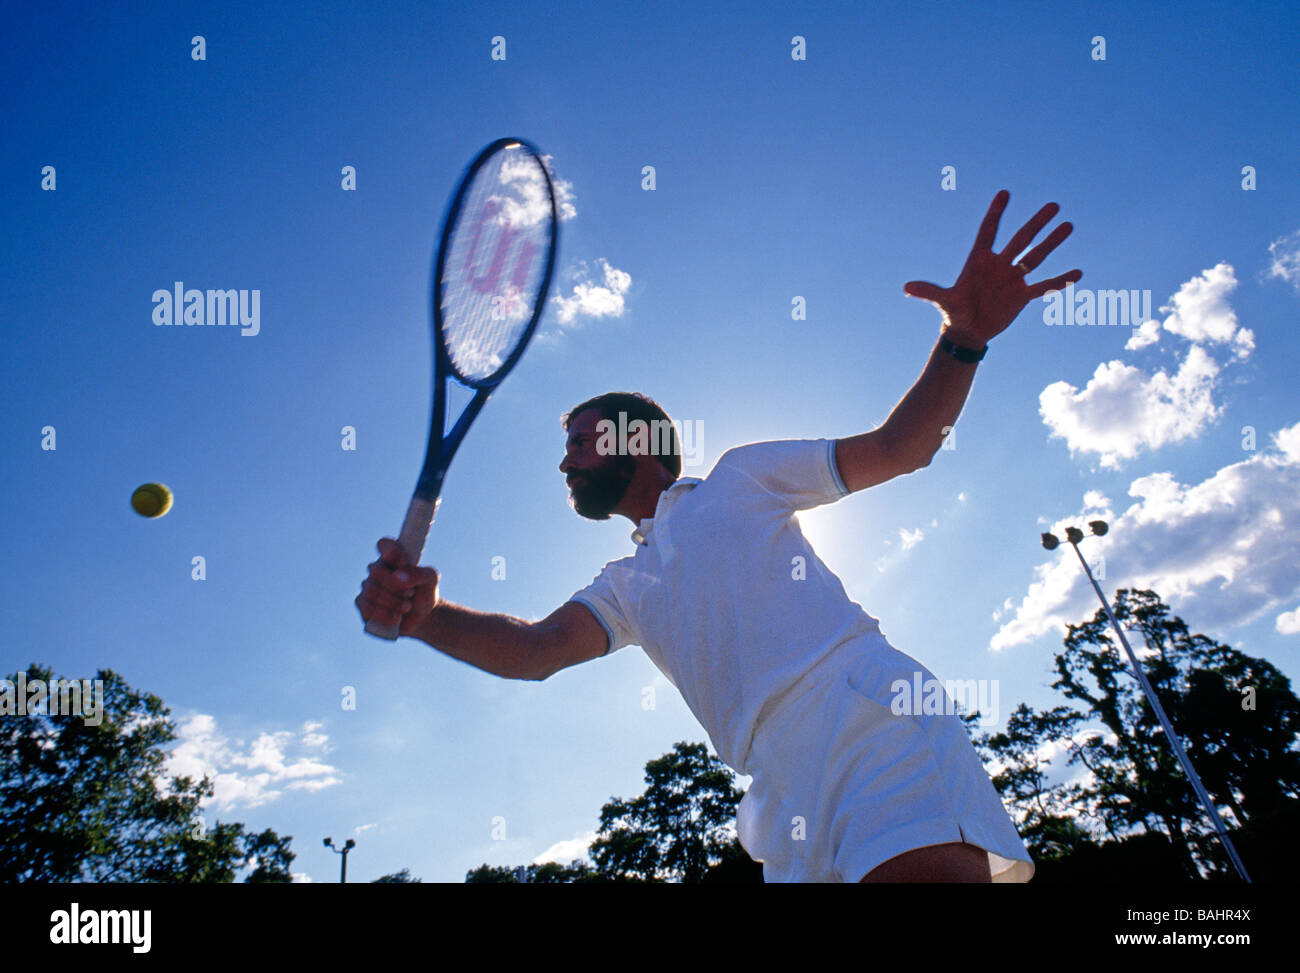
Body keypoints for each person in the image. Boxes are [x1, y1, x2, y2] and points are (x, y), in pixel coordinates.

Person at [356, 189, 1082, 882]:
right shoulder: (624, 586)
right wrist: (427, 617)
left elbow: (902, 446)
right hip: (776, 786)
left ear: (633, 439)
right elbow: (532, 652)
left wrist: (963, 340)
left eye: (581, 441)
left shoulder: (741, 477)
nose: (565, 460)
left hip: (865, 713)